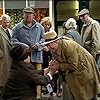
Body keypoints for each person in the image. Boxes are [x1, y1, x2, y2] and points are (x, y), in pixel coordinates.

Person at [43, 31, 100, 100]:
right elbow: (57, 60)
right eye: (47, 45)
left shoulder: (68, 46)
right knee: (69, 89)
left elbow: (73, 65)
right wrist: (52, 65)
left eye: (49, 44)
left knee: (86, 92)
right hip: (71, 71)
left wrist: (58, 66)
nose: (48, 47)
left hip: (84, 68)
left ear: (56, 41)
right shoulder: (53, 49)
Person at [11, 7, 45, 98]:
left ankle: (38, 96)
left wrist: (38, 45)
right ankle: (26, 96)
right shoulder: (17, 28)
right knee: (25, 78)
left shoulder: (40, 27)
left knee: (38, 76)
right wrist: (23, 46)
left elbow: (43, 40)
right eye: (26, 14)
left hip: (36, 56)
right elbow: (13, 41)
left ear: (33, 15)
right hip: (24, 58)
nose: (28, 16)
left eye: (30, 14)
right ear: (23, 15)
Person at [0, 14, 12, 95]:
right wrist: (1, 54)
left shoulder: (11, 31)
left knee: (10, 78)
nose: (7, 24)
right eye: (5, 22)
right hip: (3, 58)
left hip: (11, 58)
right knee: (3, 78)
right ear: (1, 22)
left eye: (8, 22)